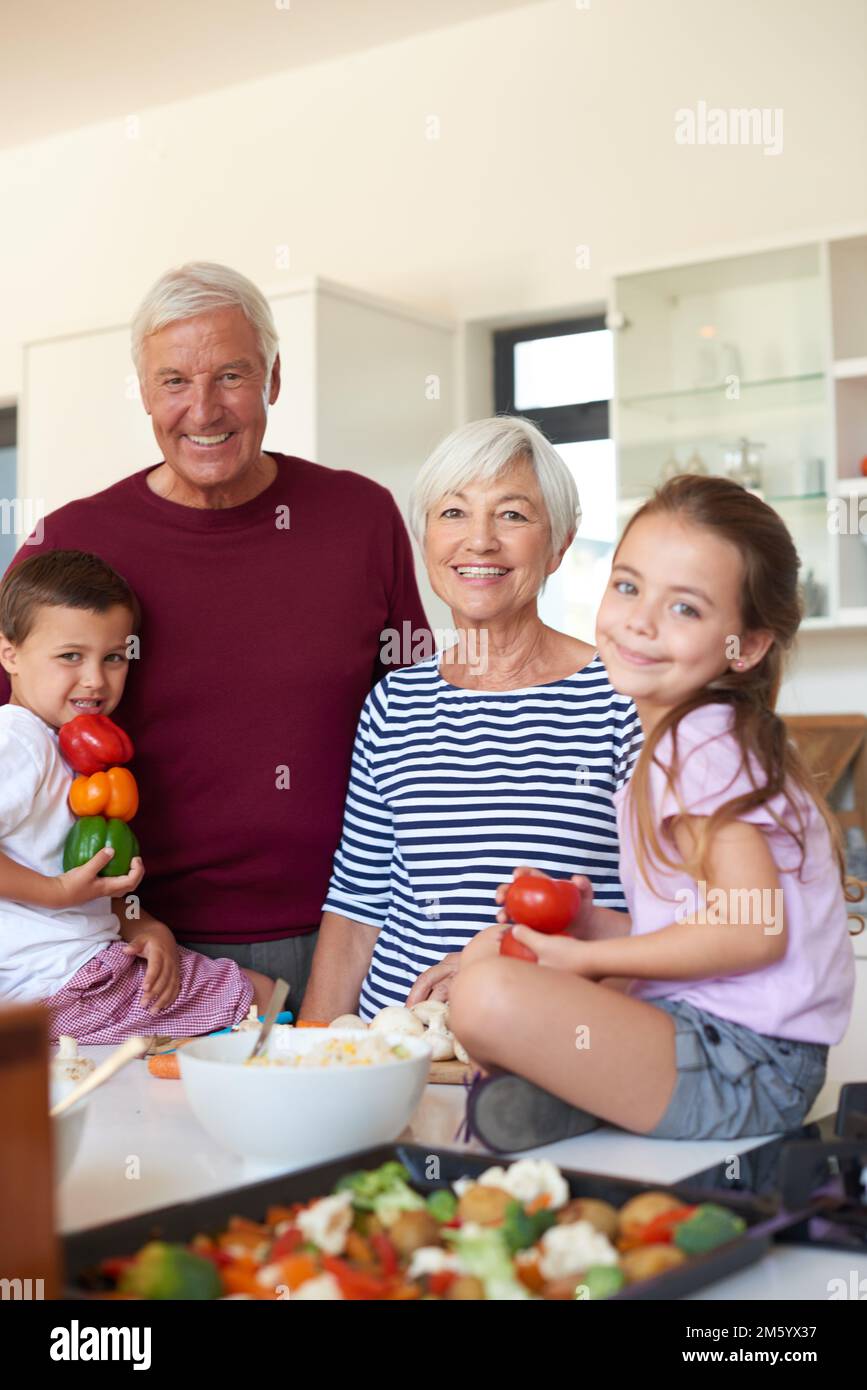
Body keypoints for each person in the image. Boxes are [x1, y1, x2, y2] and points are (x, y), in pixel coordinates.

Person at [0, 262, 428, 1016]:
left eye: (230, 375)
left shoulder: (359, 516)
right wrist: (122, 916)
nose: (202, 410)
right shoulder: (69, 541)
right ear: (143, 393)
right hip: (137, 954)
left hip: (351, 933)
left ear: (273, 379)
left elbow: (419, 726)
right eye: (172, 382)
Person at [450, 474, 857, 1149]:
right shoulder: (686, 736)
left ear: (747, 645)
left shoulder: (701, 742)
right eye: (628, 586)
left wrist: (583, 963)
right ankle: (577, 1101)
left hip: (745, 1064)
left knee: (486, 991)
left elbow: (752, 932)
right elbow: (694, 926)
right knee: (492, 955)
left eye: (686, 609)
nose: (638, 621)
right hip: (722, 1045)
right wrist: (591, 927)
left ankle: (582, 1093)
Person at [299, 416, 641, 1023]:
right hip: (396, 1049)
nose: (479, 541)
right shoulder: (394, 704)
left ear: (560, 543)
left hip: (557, 1049)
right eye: (453, 513)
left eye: (513, 515)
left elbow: (675, 921)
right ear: (425, 539)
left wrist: (504, 958)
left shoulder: (624, 698)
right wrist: (315, 1057)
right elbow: (356, 912)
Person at [0, 550, 272, 1043]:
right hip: (58, 986)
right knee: (263, 998)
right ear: (9, 653)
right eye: (70, 656)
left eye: (113, 658)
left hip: (82, 971)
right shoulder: (17, 738)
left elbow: (94, 891)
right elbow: (65, 892)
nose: (94, 680)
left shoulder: (73, 748)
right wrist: (57, 893)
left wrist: (145, 926)